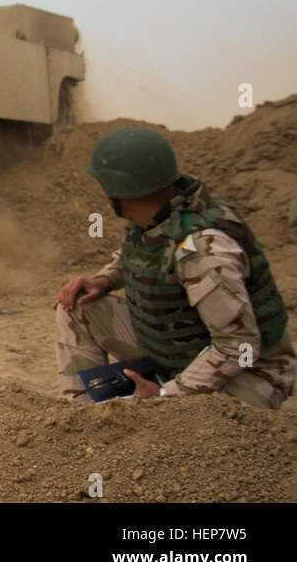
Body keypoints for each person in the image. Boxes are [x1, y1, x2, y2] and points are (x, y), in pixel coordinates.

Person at [54, 127, 294, 408]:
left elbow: (237, 347)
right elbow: (133, 257)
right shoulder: (159, 214)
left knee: (193, 430)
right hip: (180, 353)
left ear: (114, 193)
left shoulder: (201, 251)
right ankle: (79, 416)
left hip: (252, 371)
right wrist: (103, 281)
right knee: (77, 306)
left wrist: (166, 396)